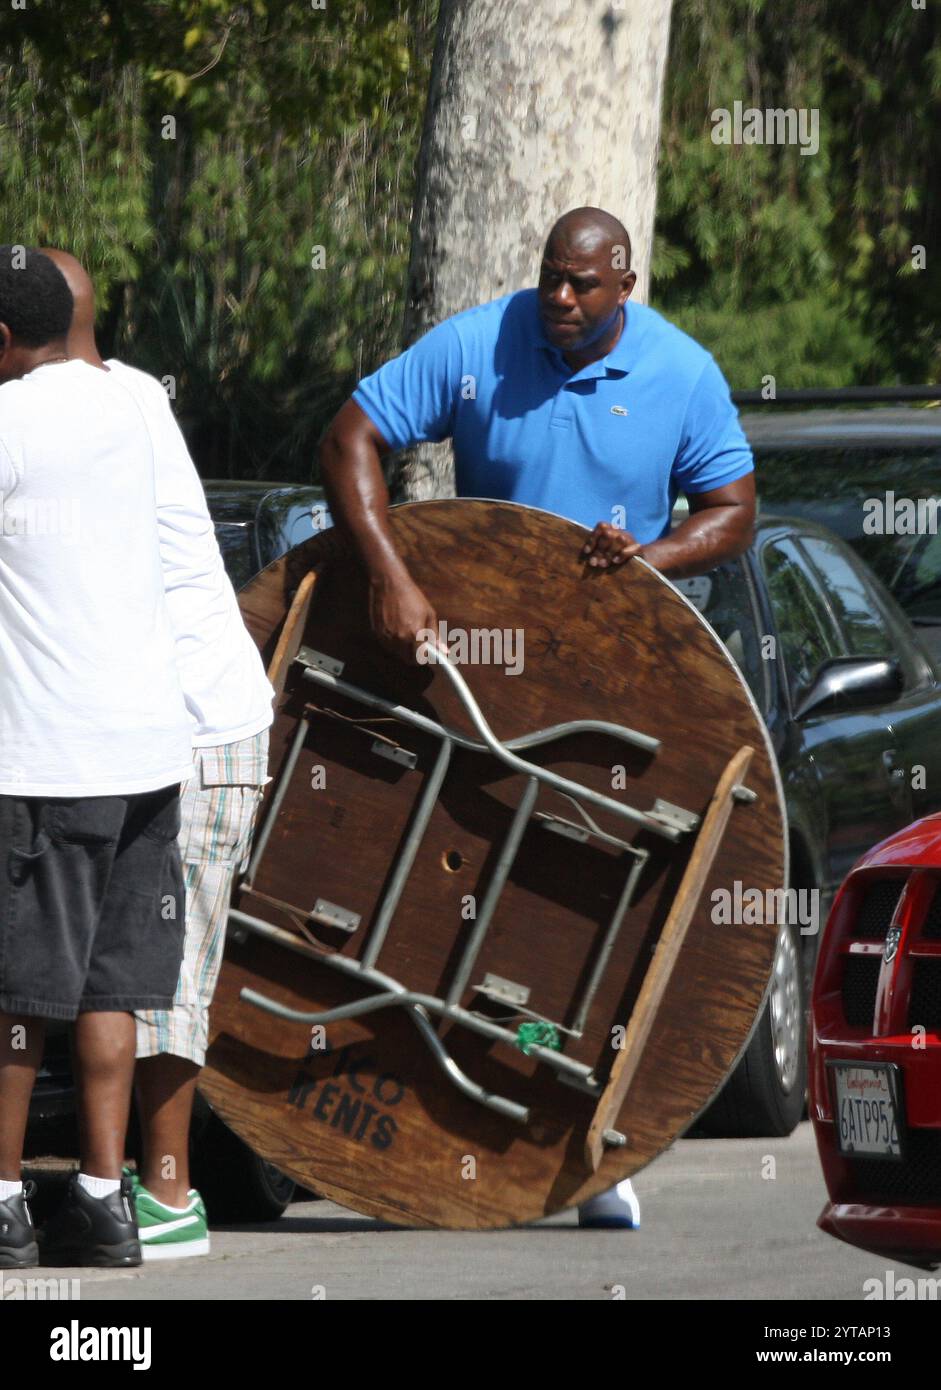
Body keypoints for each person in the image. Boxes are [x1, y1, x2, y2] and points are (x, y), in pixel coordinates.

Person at [318, 206, 756, 1230]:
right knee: (447, 879)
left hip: (614, 674)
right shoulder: (478, 341)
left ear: (624, 284)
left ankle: (588, 1149)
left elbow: (734, 511)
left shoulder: (681, 373)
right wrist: (390, 577)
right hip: (480, 666)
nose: (559, 299)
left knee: (580, 894)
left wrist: (652, 559)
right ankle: (421, 1136)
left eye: (583, 286)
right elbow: (347, 440)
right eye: (550, 278)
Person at [41, 249, 275, 1260]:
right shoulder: (124, 394)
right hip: (145, 720)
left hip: (190, 722)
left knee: (164, 970)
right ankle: (114, 1185)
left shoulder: (93, 417)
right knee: (126, 965)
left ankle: (168, 1194)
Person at [0, 248, 193, 1268]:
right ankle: (105, 1199)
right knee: (110, 983)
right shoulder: (135, 407)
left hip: (48, 755)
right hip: (146, 754)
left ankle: (2, 1205)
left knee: (21, 990)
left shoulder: (10, 422)